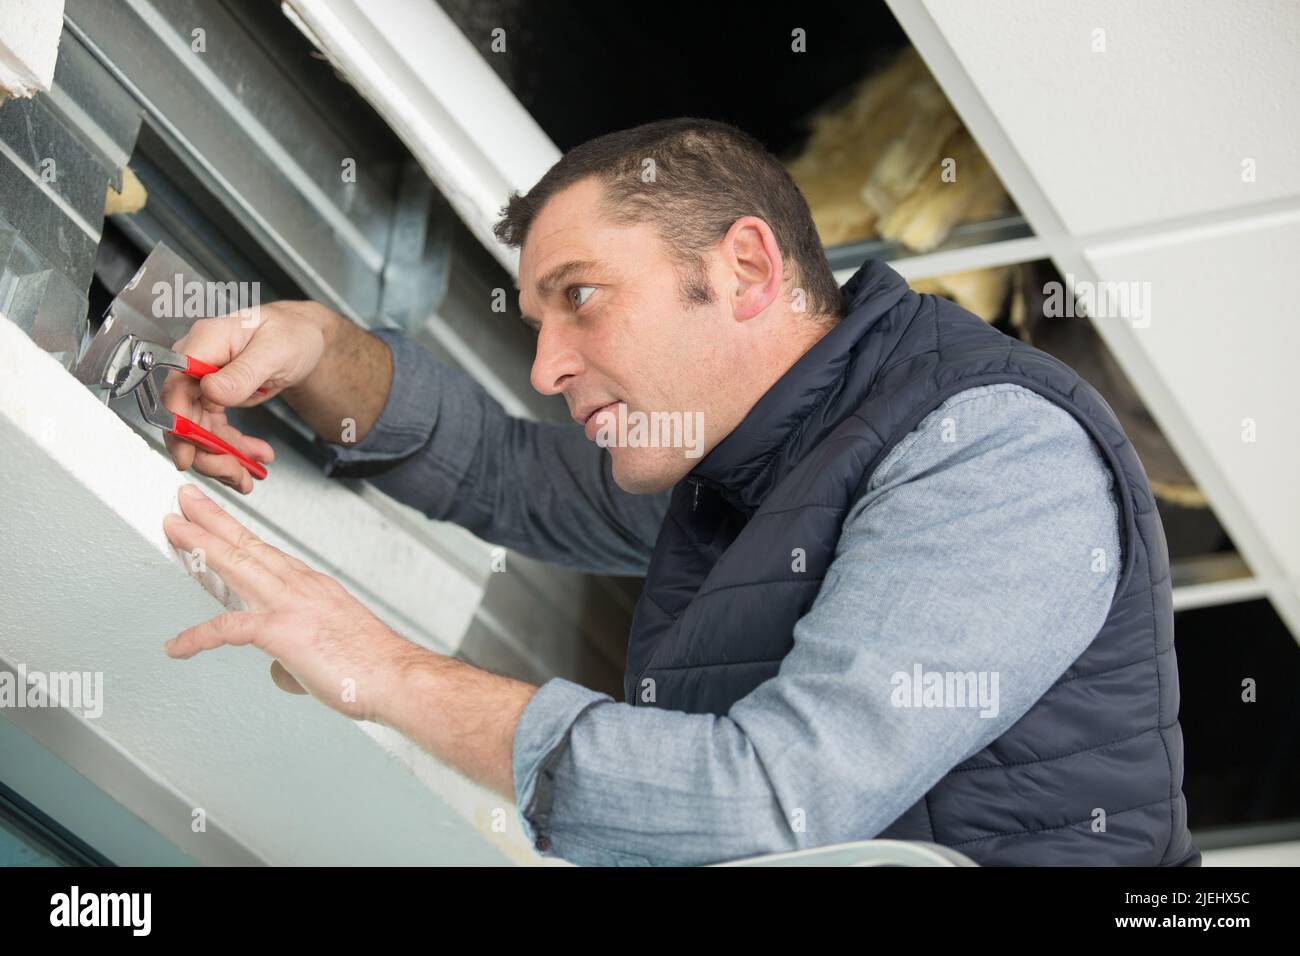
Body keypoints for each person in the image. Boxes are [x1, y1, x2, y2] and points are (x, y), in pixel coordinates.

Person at [160, 117, 1199, 867]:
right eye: (535, 322)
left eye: (579, 298)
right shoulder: (741, 459)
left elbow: (777, 793)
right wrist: (308, 352)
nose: (546, 365)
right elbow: (496, 467)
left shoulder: (993, 448)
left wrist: (385, 670)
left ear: (745, 268)